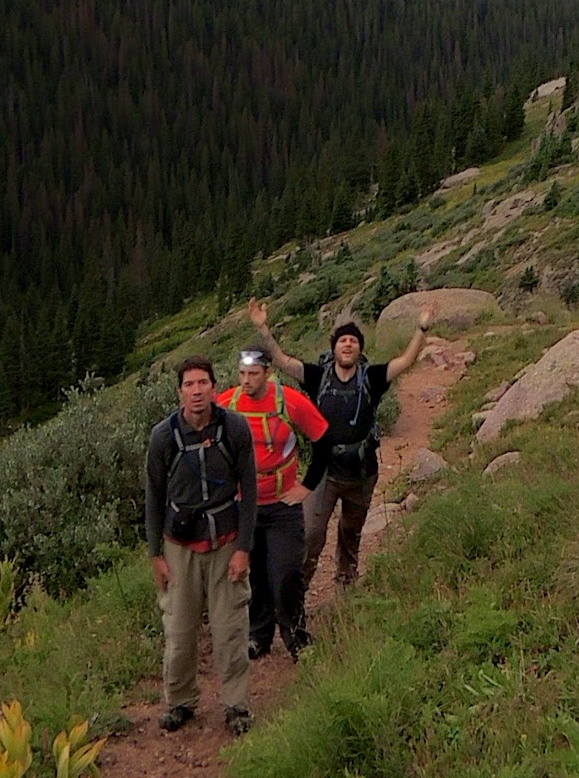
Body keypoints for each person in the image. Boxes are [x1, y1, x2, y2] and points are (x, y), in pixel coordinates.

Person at [249, 297, 432, 589]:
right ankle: (298, 590)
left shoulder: (371, 377)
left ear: (360, 350)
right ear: (334, 348)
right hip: (325, 473)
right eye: (342, 341)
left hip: (362, 472)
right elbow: (282, 361)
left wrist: (421, 329)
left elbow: (406, 362)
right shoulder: (317, 376)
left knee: (351, 532)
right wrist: (263, 329)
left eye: (353, 341)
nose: (347, 344)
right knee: (311, 533)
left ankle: (346, 585)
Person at [144, 355, 258, 736]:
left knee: (230, 628)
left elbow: (250, 490)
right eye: (189, 385)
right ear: (180, 392)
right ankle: (180, 701)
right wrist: (155, 555)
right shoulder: (163, 437)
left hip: (226, 541)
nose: (197, 391)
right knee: (179, 631)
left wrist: (244, 547)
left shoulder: (235, 429)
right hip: (179, 546)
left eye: (203, 383)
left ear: (214, 387)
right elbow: (154, 496)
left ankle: (236, 704)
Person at [217, 346, 330, 662]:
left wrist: (306, 486)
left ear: (268, 373)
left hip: (282, 505)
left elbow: (323, 440)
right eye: (242, 374)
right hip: (244, 505)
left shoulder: (289, 402)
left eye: (253, 374)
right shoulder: (227, 404)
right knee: (253, 577)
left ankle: (296, 637)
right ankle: (258, 636)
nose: (246, 381)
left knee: (286, 573)